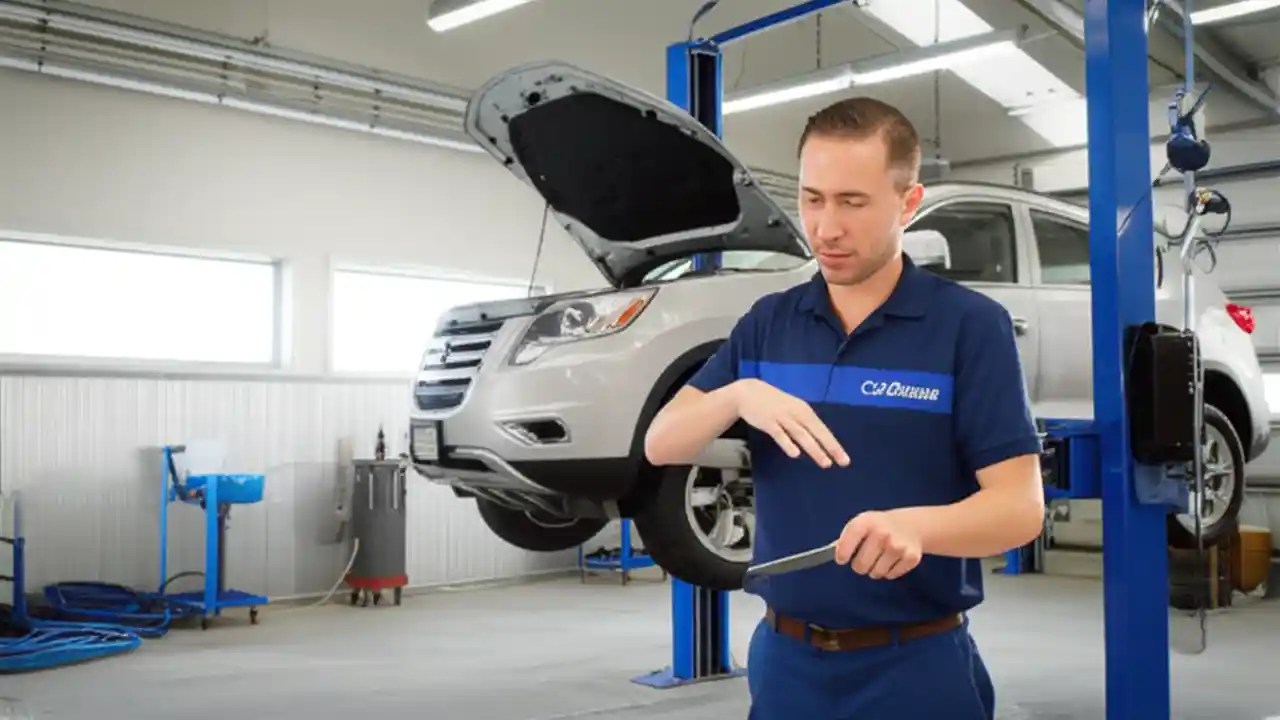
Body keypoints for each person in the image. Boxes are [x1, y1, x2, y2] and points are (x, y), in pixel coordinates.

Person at [643, 97, 1046, 719]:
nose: (826, 227)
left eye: (852, 202)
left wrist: (917, 528)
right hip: (786, 666)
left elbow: (1019, 508)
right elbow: (661, 443)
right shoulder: (767, 325)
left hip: (916, 668)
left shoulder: (968, 328)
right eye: (812, 199)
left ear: (908, 203)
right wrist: (738, 393)